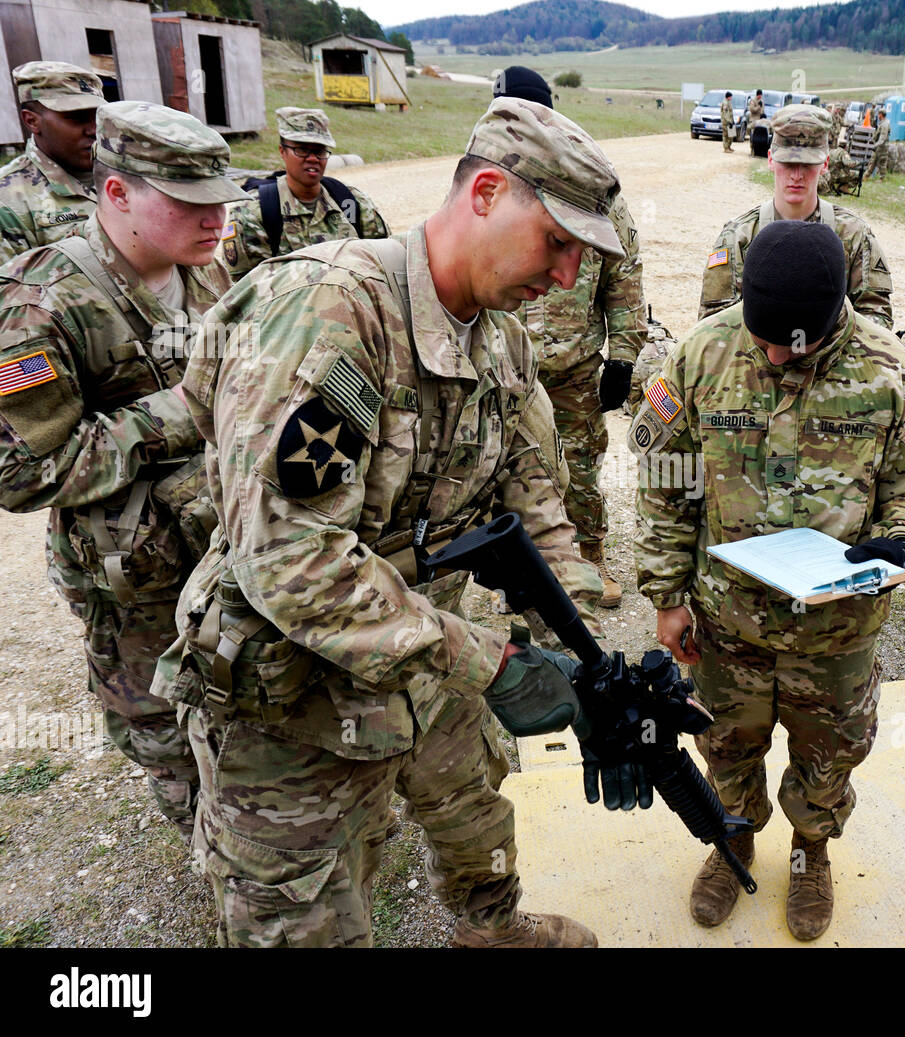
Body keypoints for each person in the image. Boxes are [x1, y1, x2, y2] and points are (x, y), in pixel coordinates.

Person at [165, 96, 633, 948]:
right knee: (302, 913)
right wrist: (485, 657)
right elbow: (292, 562)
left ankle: (492, 927)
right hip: (290, 685)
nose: (567, 278)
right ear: (486, 193)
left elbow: (532, 496)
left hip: (417, 647)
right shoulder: (334, 314)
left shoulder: (501, 340)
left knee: (474, 806)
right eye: (558, 243)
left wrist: (585, 648)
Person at [631, 221, 905, 940]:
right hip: (727, 619)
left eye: (792, 343)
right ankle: (734, 835)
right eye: (764, 338)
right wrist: (664, 596)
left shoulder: (891, 369)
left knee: (828, 751)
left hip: (837, 629)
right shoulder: (703, 354)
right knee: (725, 741)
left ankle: (811, 852)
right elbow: (664, 481)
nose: (776, 354)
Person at [0, 101, 246, 833]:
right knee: (163, 726)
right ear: (117, 193)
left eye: (222, 203)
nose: (216, 221)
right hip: (129, 574)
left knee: (240, 696)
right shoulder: (38, 304)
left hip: (218, 541)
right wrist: (178, 411)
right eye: (191, 203)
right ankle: (208, 849)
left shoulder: (208, 272)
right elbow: (20, 473)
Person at [495, 68, 648, 608]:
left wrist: (623, 359)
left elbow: (623, 278)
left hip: (572, 370)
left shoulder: (589, 190)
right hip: (501, 366)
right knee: (503, 468)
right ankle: (522, 570)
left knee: (579, 468)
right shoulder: (488, 187)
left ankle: (590, 559)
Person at [699, 105, 893, 331]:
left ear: (825, 164)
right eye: (788, 163)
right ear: (771, 160)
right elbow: (713, 328)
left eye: (808, 165)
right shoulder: (739, 236)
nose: (797, 175)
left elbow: (878, 322)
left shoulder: (854, 235)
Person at [219, 106, 389, 279]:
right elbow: (246, 292)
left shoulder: (352, 202)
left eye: (319, 151)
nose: (313, 158)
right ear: (282, 151)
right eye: (301, 150)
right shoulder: (254, 212)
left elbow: (384, 267)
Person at [0, 62, 104, 264]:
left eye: (99, 116)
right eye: (77, 117)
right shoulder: (8, 201)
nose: (94, 130)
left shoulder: (128, 174)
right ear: (32, 121)